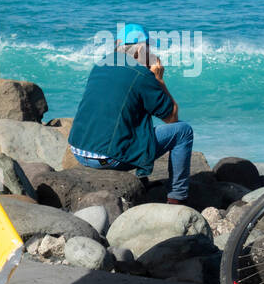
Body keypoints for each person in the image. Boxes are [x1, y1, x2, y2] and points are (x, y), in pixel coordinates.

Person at [68, 23, 194, 204]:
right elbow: (171, 117)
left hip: (78, 150)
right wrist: (159, 80)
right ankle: (176, 199)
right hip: (107, 158)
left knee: (132, 116)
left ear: (118, 44)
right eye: (148, 49)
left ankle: (142, 179)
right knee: (183, 131)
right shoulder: (142, 75)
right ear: (141, 50)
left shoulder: (100, 65)